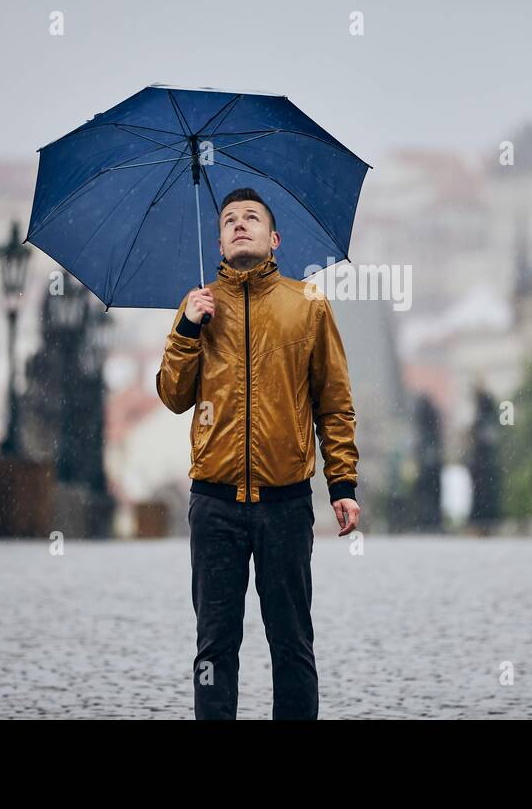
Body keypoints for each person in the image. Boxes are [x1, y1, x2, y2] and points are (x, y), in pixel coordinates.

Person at [155, 186, 360, 720]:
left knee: (292, 644)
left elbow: (333, 402)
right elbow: (173, 396)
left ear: (274, 239)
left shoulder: (308, 305)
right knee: (214, 648)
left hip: (286, 504)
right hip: (215, 503)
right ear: (219, 243)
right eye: (228, 220)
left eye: (251, 218)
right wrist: (185, 329)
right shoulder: (196, 307)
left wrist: (342, 485)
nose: (238, 224)